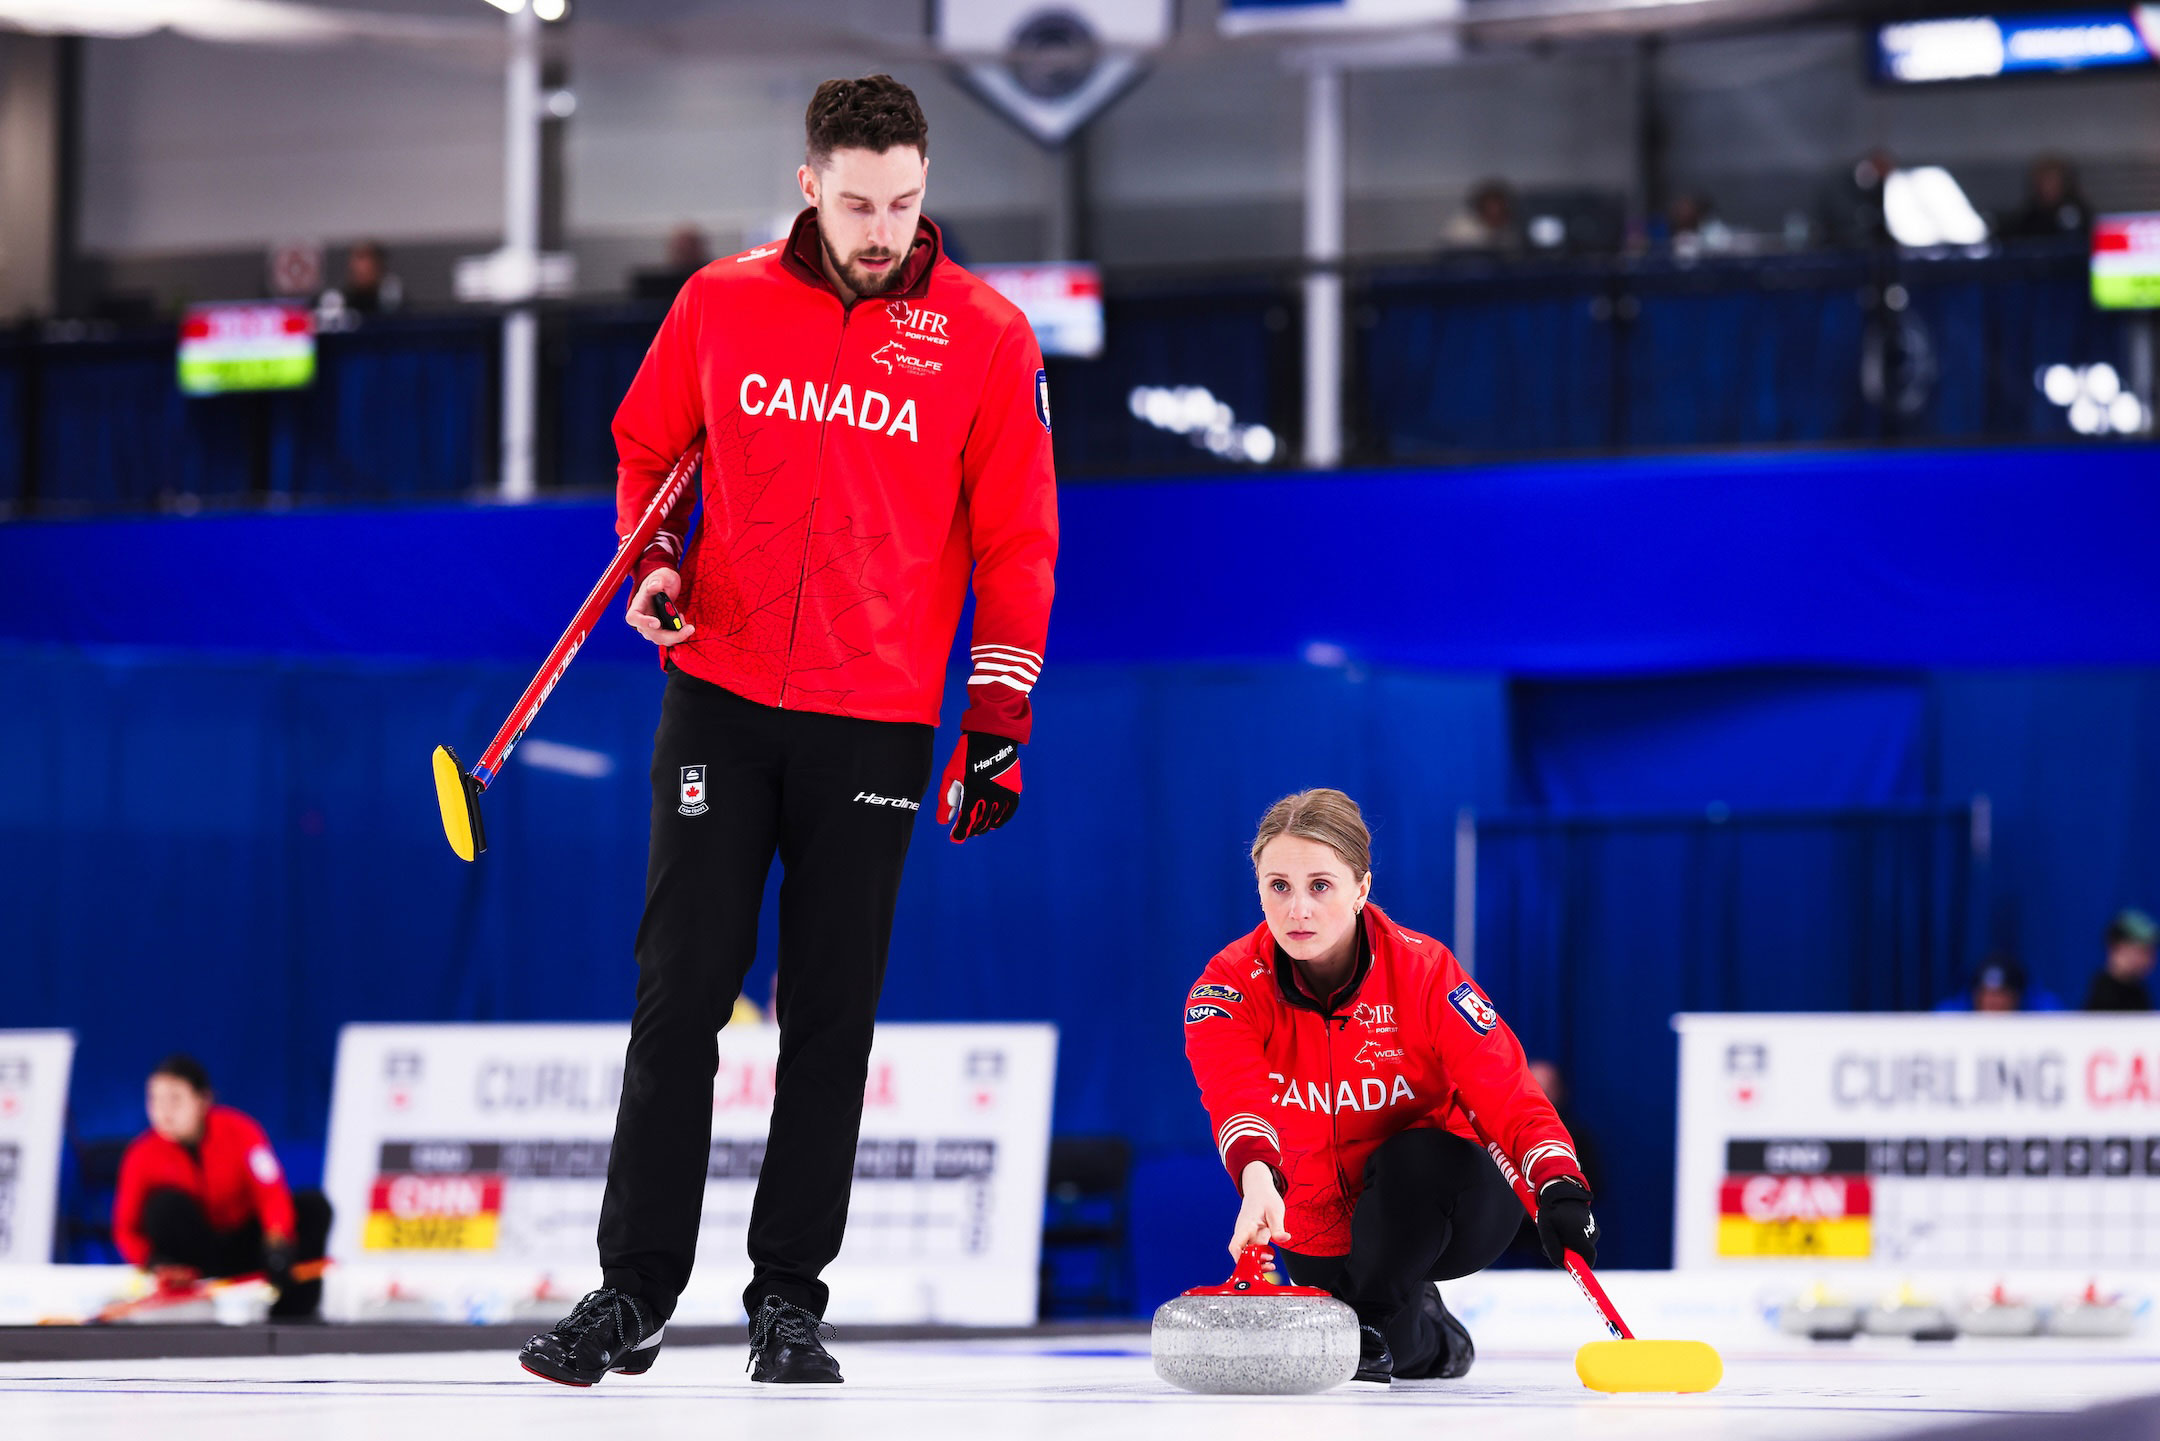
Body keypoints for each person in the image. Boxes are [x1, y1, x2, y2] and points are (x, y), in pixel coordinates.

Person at [518, 74, 1057, 1388]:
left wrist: (997, 715)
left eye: (907, 201)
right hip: (720, 689)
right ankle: (633, 1293)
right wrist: (648, 565)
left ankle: (787, 1301)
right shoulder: (721, 305)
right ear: (810, 182)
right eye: (860, 200)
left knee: (830, 1019)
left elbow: (1018, 536)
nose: (884, 227)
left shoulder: (987, 335)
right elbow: (649, 449)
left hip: (874, 721)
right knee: (680, 995)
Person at [1183, 789, 1596, 1385]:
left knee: (1412, 1164)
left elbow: (1504, 1087)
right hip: (1317, 1220)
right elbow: (1236, 1098)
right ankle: (1431, 1335)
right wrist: (1255, 1181)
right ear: (1259, 889)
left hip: (1451, 1199)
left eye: (1320, 885)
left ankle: (1372, 1316)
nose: (1298, 908)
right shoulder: (1225, 989)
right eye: (1279, 886)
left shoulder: (1424, 971)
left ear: (1362, 889)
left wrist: (1559, 1184)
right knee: (1397, 1351)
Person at [111, 1055, 331, 1319]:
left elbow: (271, 1192)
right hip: (195, 1257)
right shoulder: (141, 1154)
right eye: (155, 1099)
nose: (163, 1111)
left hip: (248, 1245)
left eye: (175, 1099)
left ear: (203, 1100)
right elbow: (125, 1229)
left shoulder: (241, 1130)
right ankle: (186, 1306)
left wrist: (278, 1240)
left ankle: (294, 1313)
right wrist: (154, 1262)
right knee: (163, 1206)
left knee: (313, 1206)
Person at [1999, 156, 2092, 242]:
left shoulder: (2079, 214)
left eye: (2052, 181)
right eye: (2044, 182)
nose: (2047, 188)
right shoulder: (2029, 218)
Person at [1936, 952, 2062, 1013]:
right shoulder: (1955, 1016)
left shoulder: (2039, 1015)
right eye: (1986, 993)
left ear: (2017, 996)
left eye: (2000, 994)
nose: (1993, 1001)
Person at [2084, 909, 2157, 1012]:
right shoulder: (2103, 997)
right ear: (2117, 948)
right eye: (2141, 950)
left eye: (2150, 951)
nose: (2148, 958)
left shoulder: (2139, 992)